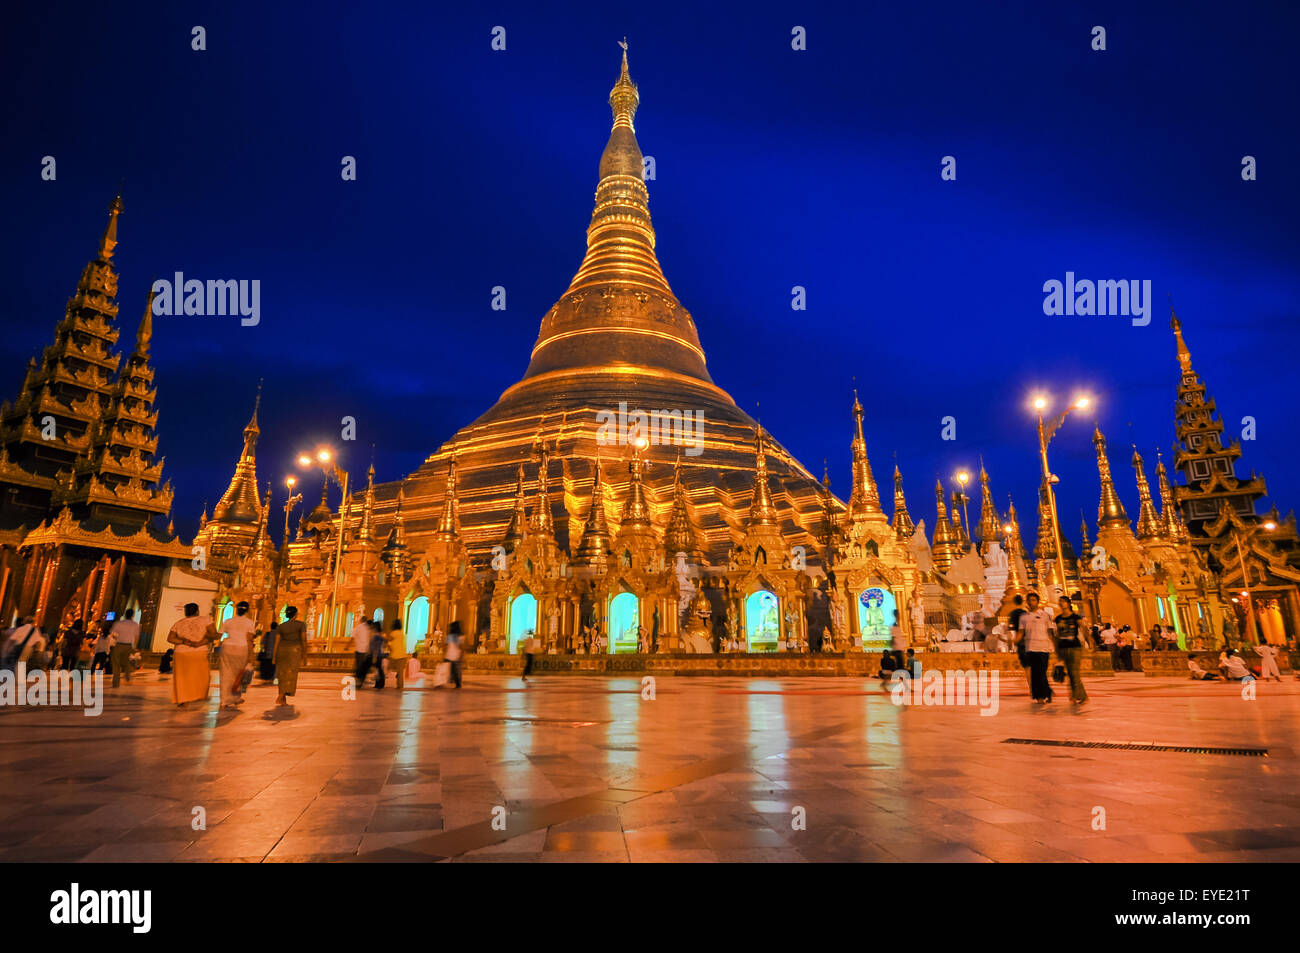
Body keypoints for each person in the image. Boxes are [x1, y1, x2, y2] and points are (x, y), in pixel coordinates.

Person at [167, 604, 215, 707]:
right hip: (199, 652)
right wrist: (200, 642)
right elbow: (213, 634)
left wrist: (184, 641)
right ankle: (197, 694)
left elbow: (170, 638)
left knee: (182, 678)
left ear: (185, 612)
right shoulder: (206, 620)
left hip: (181, 653)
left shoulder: (179, 623)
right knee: (202, 676)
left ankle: (183, 699)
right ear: (197, 611)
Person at [1017, 592, 1056, 703]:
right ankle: (1039, 697)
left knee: (1042, 672)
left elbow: (1050, 632)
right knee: (1035, 673)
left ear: (1038, 602)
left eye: (1033, 600)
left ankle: (1046, 692)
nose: (1031, 602)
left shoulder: (1045, 615)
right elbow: (1020, 633)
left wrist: (1054, 645)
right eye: (1029, 600)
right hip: (1030, 647)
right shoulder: (1023, 617)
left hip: (1043, 647)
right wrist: (1013, 641)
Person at [217, 601, 255, 708]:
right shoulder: (249, 622)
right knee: (239, 673)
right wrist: (251, 655)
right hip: (241, 648)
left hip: (227, 647)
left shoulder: (228, 621)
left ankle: (224, 700)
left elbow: (219, 634)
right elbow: (249, 639)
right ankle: (236, 698)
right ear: (247, 610)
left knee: (226, 673)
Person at [1053, 596, 1088, 705]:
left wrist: (1090, 643)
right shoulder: (1057, 619)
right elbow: (1057, 635)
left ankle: (1077, 696)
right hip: (1063, 647)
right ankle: (1078, 696)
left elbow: (1084, 630)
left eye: (1063, 602)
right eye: (1060, 602)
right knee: (1070, 673)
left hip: (1075, 647)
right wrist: (1056, 650)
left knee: (1074, 673)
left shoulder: (1076, 617)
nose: (1062, 604)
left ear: (1068, 603)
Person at [273, 606, 307, 706]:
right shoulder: (301, 625)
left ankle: (283, 699)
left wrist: (274, 657)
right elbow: (304, 640)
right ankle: (280, 696)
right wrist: (305, 655)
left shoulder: (281, 626)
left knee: (282, 674)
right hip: (294, 651)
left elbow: (277, 642)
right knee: (291, 675)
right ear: (295, 615)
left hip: (282, 651)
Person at [109, 610, 140, 687]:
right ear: (132, 615)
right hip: (128, 646)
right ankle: (128, 677)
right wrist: (134, 646)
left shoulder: (119, 623)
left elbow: (112, 633)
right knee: (126, 662)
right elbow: (137, 636)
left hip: (119, 645)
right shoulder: (135, 625)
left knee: (116, 663)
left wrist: (117, 637)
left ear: (125, 615)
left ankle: (116, 683)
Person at [1007, 594, 1031, 688]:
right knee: (1033, 667)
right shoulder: (1025, 613)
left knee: (1028, 667)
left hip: (1021, 641)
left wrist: (1012, 642)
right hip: (1029, 640)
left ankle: (1032, 688)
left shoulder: (1013, 614)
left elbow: (1011, 630)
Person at [351, 616, 373, 686]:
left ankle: (359, 680)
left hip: (359, 650)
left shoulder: (358, 627)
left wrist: (347, 646)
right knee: (363, 666)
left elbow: (352, 637)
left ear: (361, 620)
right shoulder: (368, 628)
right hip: (366, 650)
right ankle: (361, 680)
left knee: (359, 666)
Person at [386, 619, 407, 690]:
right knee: (400, 672)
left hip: (395, 654)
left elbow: (389, 640)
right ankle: (400, 686)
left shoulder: (393, 633)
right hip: (402, 654)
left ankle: (381, 681)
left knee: (387, 669)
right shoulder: (401, 633)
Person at [445, 620, 464, 688]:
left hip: (449, 655)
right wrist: (462, 655)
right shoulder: (460, 636)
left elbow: (446, 645)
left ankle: (448, 680)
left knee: (449, 670)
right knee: (456, 670)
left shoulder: (449, 636)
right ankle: (458, 683)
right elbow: (462, 647)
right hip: (456, 655)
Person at [370, 620, 388, 689]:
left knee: (378, 670)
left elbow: (376, 647)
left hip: (377, 654)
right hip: (380, 654)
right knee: (379, 669)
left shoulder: (376, 636)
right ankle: (379, 683)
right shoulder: (381, 635)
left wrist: (374, 655)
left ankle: (380, 683)